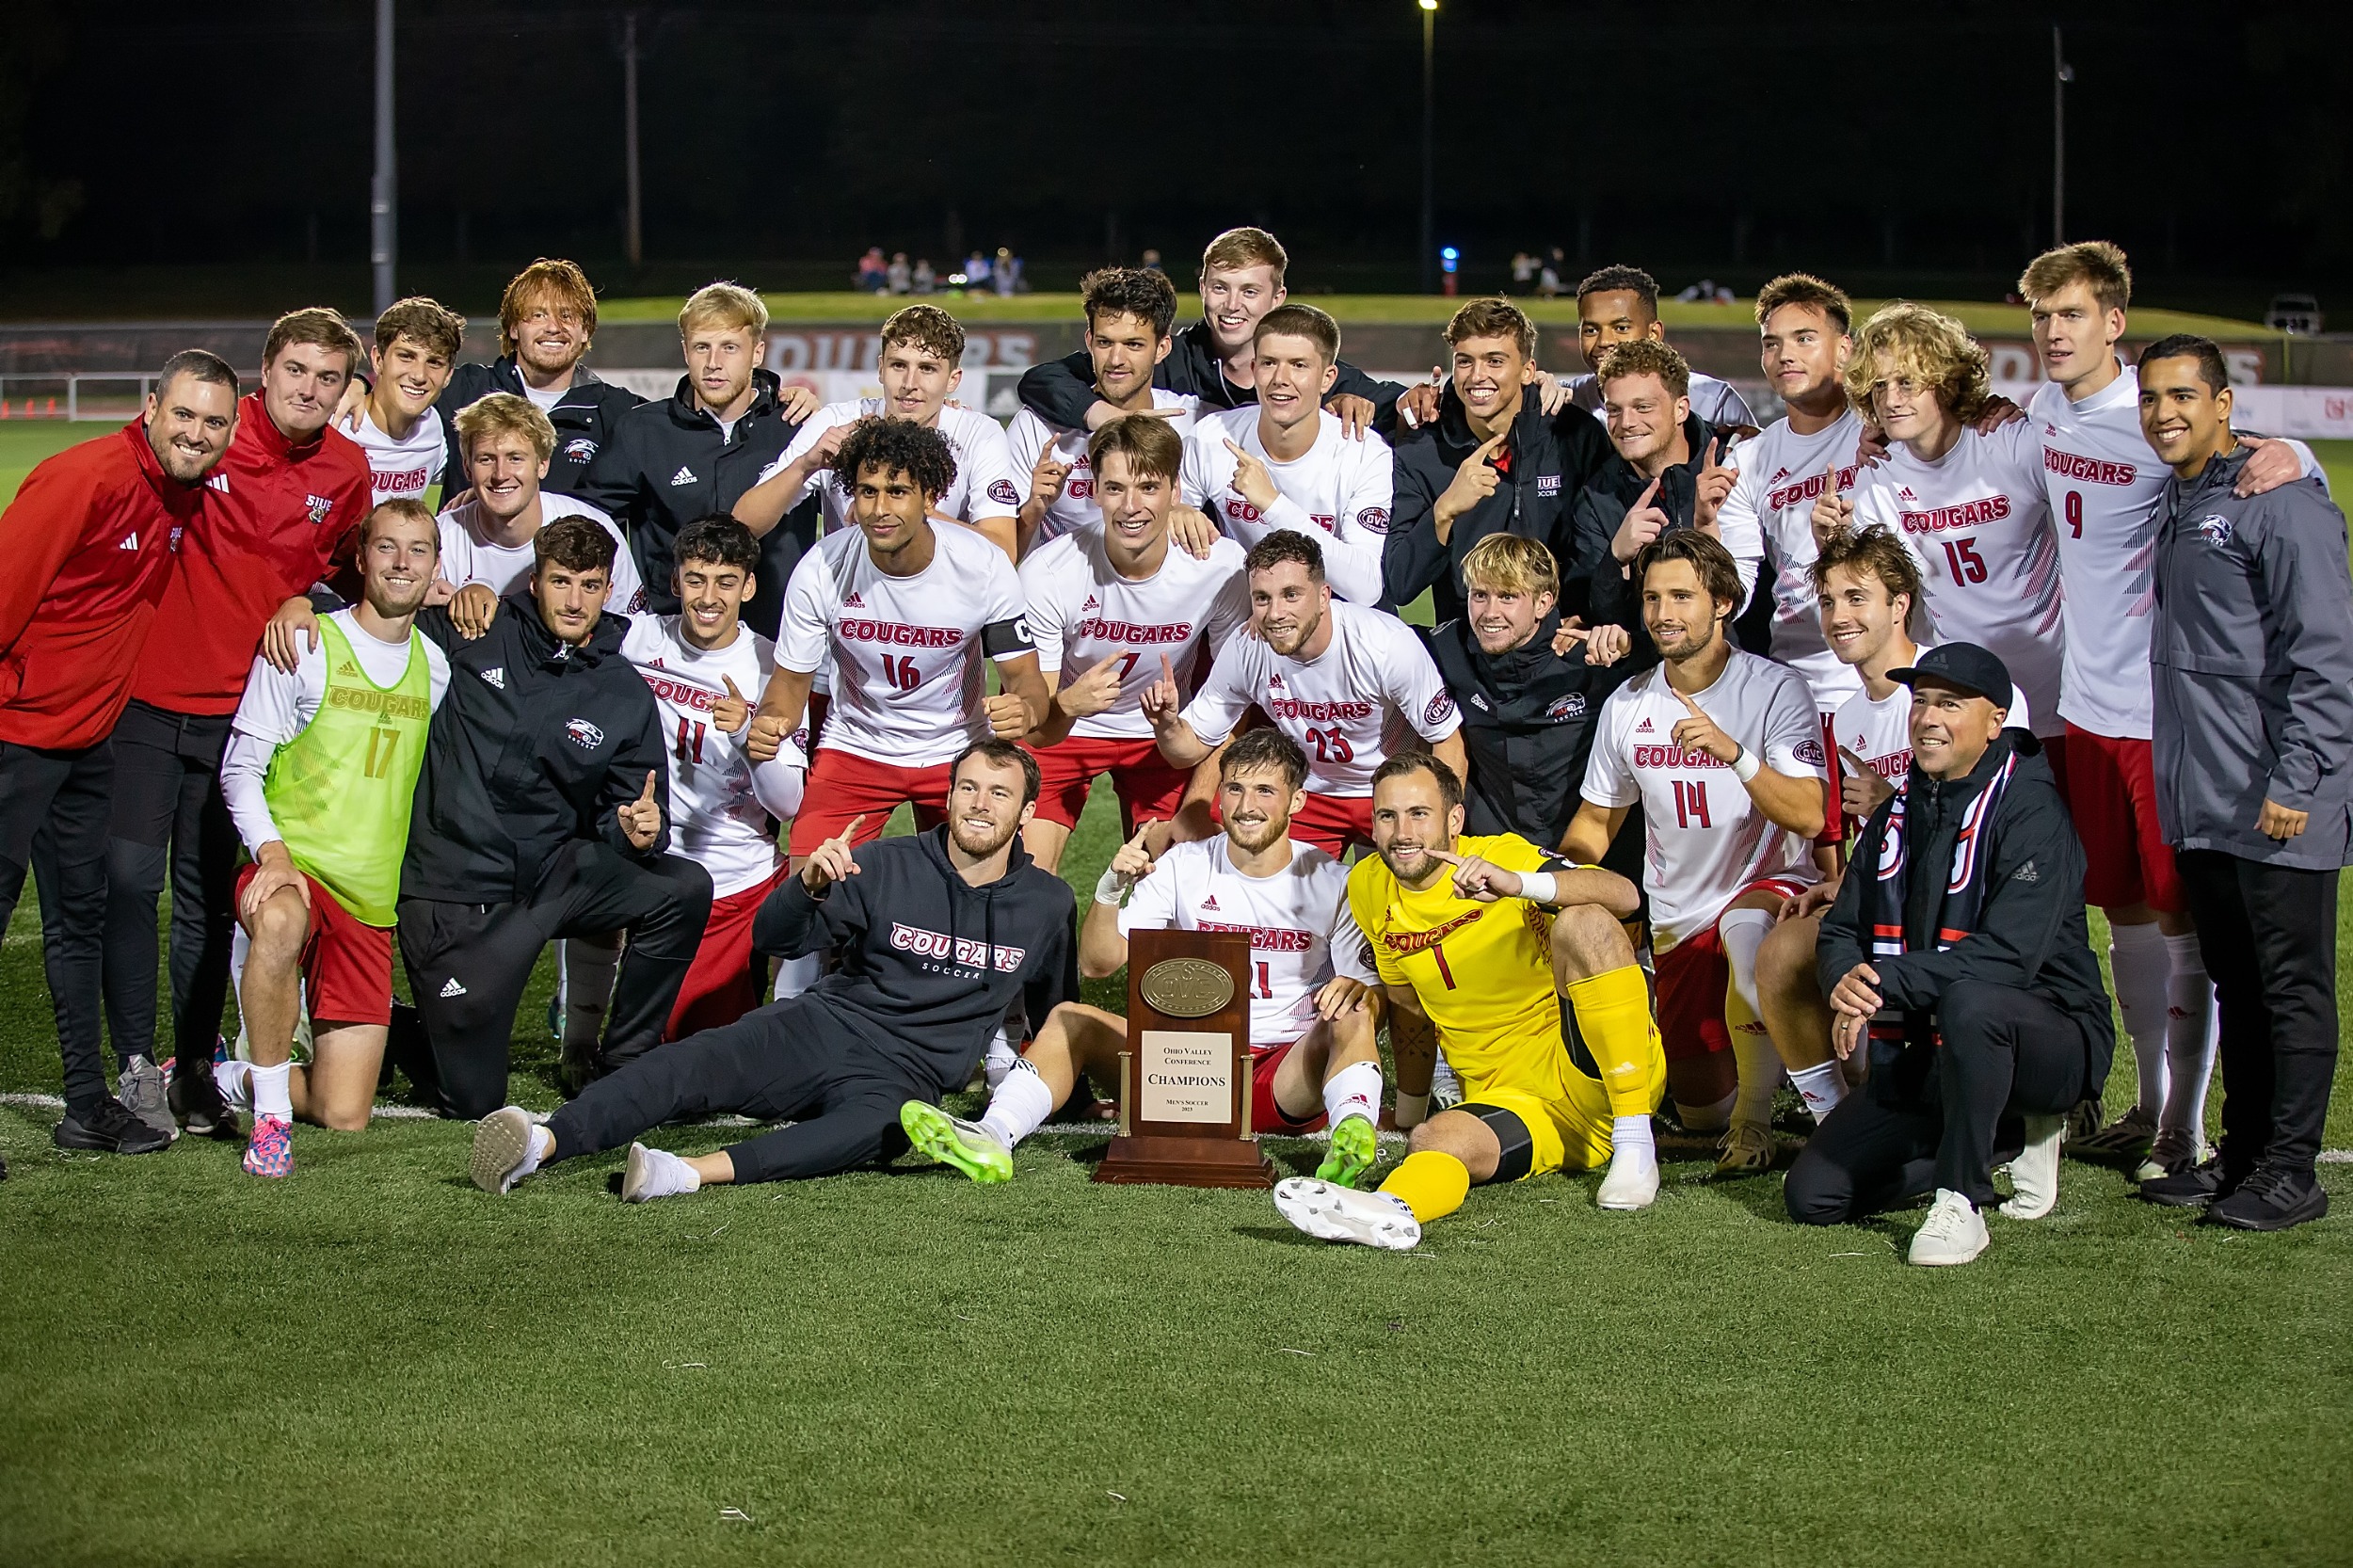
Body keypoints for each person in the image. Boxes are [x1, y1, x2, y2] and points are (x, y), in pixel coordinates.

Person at [468, 742, 1076, 1202]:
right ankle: (541, 1144)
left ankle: (679, 1174)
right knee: (688, 1063)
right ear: (947, 797)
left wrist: (1057, 1097)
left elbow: (1055, 1015)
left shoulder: (1048, 905)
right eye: (968, 788)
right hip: (824, 1026)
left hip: (906, 1080)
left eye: (999, 793)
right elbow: (773, 936)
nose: (979, 804)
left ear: (1025, 813)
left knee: (872, 1136)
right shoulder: (885, 864)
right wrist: (807, 886)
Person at [2018, 245, 2314, 1176]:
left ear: (2114, 322)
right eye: (2041, 316)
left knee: (2184, 921)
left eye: (2071, 314)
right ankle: (2147, 1101)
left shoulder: (2148, 419)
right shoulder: (2040, 411)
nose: (2053, 332)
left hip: (2164, 718)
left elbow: (2252, 464)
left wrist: (2292, 449)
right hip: (2084, 708)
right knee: (2126, 918)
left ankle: (2182, 1130)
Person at [104, 309, 374, 1144]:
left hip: (241, 717)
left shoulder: (348, 467)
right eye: (296, 370)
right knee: (126, 884)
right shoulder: (210, 430)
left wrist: (307, 595)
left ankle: (192, 1073)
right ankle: (133, 1067)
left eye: (329, 377)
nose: (310, 389)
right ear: (266, 370)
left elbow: (339, 569)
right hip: (148, 701)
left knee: (208, 905)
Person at [903, 729, 1387, 1187]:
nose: (1246, 806)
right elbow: (1098, 963)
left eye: (1265, 791)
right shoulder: (1185, 865)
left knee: (1356, 1007)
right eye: (1235, 789)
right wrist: (1110, 888)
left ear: (1296, 801)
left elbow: (1368, 1003)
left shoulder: (1332, 881)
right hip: (1181, 1068)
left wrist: (1360, 992)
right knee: (1070, 1018)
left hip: (1281, 1073)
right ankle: (993, 1136)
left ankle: (1353, 1133)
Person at [1786, 643, 2114, 1267]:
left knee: (1973, 1003)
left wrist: (1884, 982)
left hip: (2046, 1042)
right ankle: (2005, 1141)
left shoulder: (2032, 809)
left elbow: (2007, 960)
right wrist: (1845, 980)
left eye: (1951, 704)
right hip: (1925, 1050)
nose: (1928, 717)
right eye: (1922, 701)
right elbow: (1843, 929)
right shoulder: (1898, 810)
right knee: (1813, 1197)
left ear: (1996, 722)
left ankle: (1961, 1198)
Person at [1273, 754, 1668, 1250]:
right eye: (1387, 816)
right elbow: (1409, 1008)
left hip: (1595, 1067)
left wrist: (1519, 886)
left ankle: (1635, 1140)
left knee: (1585, 920)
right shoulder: (1369, 885)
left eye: (1419, 813)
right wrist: (1411, 1110)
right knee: (1434, 1141)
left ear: (1454, 820)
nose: (1402, 832)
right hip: (1510, 1099)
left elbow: (1624, 895)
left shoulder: (1502, 855)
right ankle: (1391, 1209)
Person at [2137, 335, 2353, 1231]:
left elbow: (2329, 658)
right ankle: (2244, 1158)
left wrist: (2298, 776)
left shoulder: (2280, 498)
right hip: (2206, 795)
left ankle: (2293, 1172)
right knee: (2239, 981)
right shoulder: (2178, 497)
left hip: (2278, 794)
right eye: (2151, 398)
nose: (2165, 414)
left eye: (2184, 395)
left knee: (2293, 983)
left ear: (2225, 403)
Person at [393, 517, 712, 1119]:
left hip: (550, 879)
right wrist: (304, 604)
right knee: (473, 1101)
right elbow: (379, 618)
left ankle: (623, 1065)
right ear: (535, 581)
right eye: (561, 581)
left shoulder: (622, 690)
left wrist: (638, 832)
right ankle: (385, 1027)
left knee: (682, 887)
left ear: (608, 588)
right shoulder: (473, 632)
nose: (574, 600)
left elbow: (634, 809)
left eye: (590, 585)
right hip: (457, 889)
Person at [0, 350, 238, 1154]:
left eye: (213, 422)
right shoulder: (85, 478)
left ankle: (84, 1107)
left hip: (87, 743)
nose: (196, 434)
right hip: (16, 739)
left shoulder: (179, 495)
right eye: (184, 415)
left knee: (77, 924)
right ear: (150, 407)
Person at [1564, 532, 1827, 1174]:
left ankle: (1758, 1122)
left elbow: (1812, 813)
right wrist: (1557, 875)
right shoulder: (1628, 704)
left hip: (1768, 891)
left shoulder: (1775, 689)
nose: (1662, 613)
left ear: (1725, 603)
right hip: (1679, 920)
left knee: (1745, 930)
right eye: (1652, 597)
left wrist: (1735, 755)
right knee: (1698, 1107)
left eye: (1682, 596)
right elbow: (1597, 821)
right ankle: (1762, 1069)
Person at [1753, 526, 2027, 1129]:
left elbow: (2005, 825)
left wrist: (1897, 802)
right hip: (1893, 906)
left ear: (1899, 604)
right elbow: (1880, 847)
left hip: (1973, 912)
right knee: (1782, 950)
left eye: (1857, 598)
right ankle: (1838, 1117)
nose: (1838, 616)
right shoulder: (1849, 718)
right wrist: (1844, 883)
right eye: (1827, 601)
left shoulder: (1967, 686)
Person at [213, 500, 451, 1175]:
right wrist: (273, 852)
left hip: (369, 900)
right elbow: (241, 767)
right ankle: (270, 1122)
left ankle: (225, 1077)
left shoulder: (435, 669)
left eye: (418, 550)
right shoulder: (309, 643)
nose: (401, 563)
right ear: (360, 557)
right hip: (294, 868)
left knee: (345, 1113)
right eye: (387, 547)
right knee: (282, 922)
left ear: (437, 566)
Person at [744, 418, 1049, 859]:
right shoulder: (822, 567)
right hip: (856, 745)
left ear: (930, 496)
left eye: (897, 492)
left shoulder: (982, 565)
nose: (879, 508)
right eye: (867, 491)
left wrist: (1024, 709)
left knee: (981, 887)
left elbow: (1029, 683)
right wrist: (772, 721)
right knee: (808, 887)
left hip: (957, 747)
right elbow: (789, 687)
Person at [1815, 304, 2070, 775]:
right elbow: (1867, 587)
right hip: (1969, 706)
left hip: (2063, 695)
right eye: (1879, 387)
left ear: (1946, 381)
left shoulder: (2009, 443)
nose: (1891, 399)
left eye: (1907, 382)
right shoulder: (1878, 476)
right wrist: (1829, 541)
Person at [1142, 531, 1466, 858]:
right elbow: (1186, 751)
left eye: (1291, 595)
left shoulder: (1385, 644)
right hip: (1310, 794)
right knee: (1271, 894)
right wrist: (1166, 725)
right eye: (1262, 598)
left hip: (1390, 788)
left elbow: (1447, 740)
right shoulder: (1246, 649)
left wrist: (1439, 826)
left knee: (1401, 899)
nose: (1275, 613)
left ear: (1324, 596)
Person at [1016, 415, 1248, 873]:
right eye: (1116, 488)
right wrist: (1067, 703)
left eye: (1148, 487)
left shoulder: (1221, 566)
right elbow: (1036, 722)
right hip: (1068, 728)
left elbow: (1234, 696)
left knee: (1176, 880)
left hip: (1164, 733)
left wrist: (1200, 801)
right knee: (1023, 878)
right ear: (1095, 491)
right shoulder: (1049, 572)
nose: (1131, 506)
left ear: (1175, 493)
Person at [618, 517, 808, 1036]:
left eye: (726, 581)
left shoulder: (774, 669)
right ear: (675, 581)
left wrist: (750, 734)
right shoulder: (636, 639)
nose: (709, 597)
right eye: (696, 579)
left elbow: (789, 804)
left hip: (731, 876)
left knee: (691, 1045)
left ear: (748, 586)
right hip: (640, 858)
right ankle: (581, 1022)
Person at [576, 282, 819, 637]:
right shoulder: (642, 431)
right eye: (702, 347)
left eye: (730, 348)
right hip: (669, 648)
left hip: (780, 644)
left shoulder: (797, 426)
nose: (714, 364)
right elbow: (583, 520)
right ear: (685, 351)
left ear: (757, 352)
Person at [1016, 227, 1404, 439]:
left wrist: (1409, 402)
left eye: (1250, 291)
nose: (1232, 304)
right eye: (1220, 288)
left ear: (1277, 298)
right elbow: (1042, 380)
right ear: (1203, 288)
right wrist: (1103, 415)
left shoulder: (1307, 372)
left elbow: (1398, 405)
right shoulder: (1169, 358)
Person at [1383, 296, 1612, 628]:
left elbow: (1597, 551)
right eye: (1465, 361)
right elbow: (1400, 583)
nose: (1477, 376)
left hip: (1561, 648)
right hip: (1470, 656)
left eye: (1494, 361)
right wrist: (1444, 510)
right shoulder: (1421, 451)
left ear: (1527, 370)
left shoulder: (1575, 437)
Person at [733, 303, 1022, 560]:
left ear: (953, 379)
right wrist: (805, 465)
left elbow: (1003, 551)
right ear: (881, 368)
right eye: (899, 365)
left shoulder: (978, 434)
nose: (910, 382)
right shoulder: (837, 423)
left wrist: (911, 513)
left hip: (940, 607)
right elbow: (743, 526)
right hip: (848, 602)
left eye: (927, 369)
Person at [1703, 274, 1867, 712]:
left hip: (1887, 685)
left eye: (1804, 338)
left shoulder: (1883, 432)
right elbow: (1733, 593)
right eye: (1772, 343)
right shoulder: (1748, 460)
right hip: (1796, 693)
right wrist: (1705, 526)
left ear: (1844, 349)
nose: (1785, 355)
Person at [1177, 304, 1392, 606]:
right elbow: (1171, 536)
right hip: (1247, 614)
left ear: (1328, 378)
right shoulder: (1212, 436)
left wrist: (1272, 504)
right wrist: (1177, 512)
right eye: (1268, 363)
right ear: (1253, 371)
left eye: (1299, 365)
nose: (1281, 378)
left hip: (1333, 619)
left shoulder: (1364, 452)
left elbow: (1366, 587)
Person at [1426, 533, 1629, 851]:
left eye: (1507, 597)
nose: (1490, 612)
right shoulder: (1447, 649)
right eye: (1480, 595)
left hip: (1584, 851)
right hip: (1492, 855)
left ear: (1543, 603)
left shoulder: (1589, 661)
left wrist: (1630, 647)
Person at [1577, 340, 1761, 656]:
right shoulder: (1597, 495)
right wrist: (1616, 559)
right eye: (1614, 410)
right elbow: (1605, 623)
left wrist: (1706, 527)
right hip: (1646, 675)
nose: (1626, 423)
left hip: (1741, 666)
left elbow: (1744, 596)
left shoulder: (1733, 462)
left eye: (1643, 407)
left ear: (1681, 409)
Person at [1003, 266, 1201, 553]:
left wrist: (1190, 514)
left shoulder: (1196, 423)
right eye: (1105, 343)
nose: (1116, 359)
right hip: (1068, 593)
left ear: (1162, 348)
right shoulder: (1036, 428)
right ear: (1089, 341)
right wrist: (1034, 508)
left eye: (1133, 344)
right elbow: (1002, 557)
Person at [424, 259, 644, 499]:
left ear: (585, 331)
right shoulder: (462, 391)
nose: (553, 328)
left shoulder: (620, 413)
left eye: (567, 316)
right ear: (514, 328)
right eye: (538, 315)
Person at [433, 393, 645, 613]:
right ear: (468, 468)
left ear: (543, 465)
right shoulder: (439, 540)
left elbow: (632, 628)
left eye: (515, 458)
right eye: (486, 459)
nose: (500, 474)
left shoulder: (595, 528)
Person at [1562, 264, 1755, 427]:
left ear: (1654, 333)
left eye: (1621, 328)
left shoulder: (1713, 402)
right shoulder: (1567, 400)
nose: (1604, 341)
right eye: (1590, 330)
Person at [347, 296, 464, 510]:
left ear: (448, 375)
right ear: (378, 359)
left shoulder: (435, 430)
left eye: (434, 362)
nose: (419, 375)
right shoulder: (338, 423)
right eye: (406, 357)